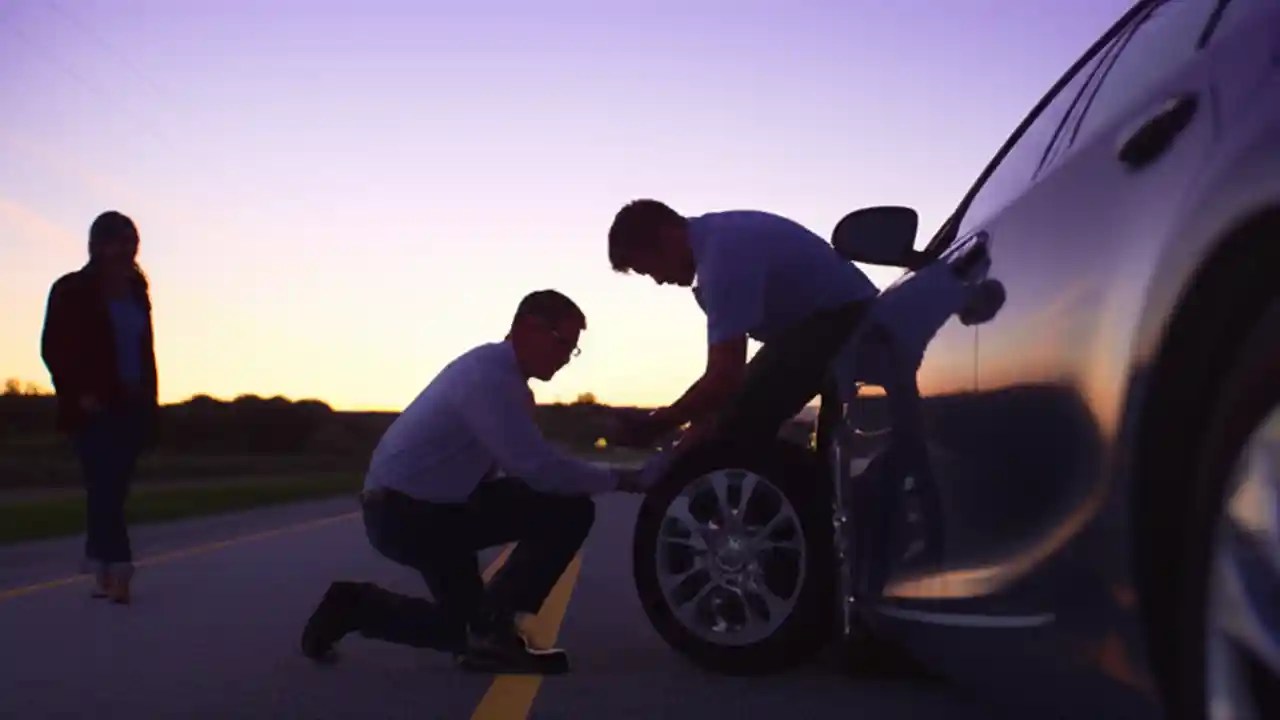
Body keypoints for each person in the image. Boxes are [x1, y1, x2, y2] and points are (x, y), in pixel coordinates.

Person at [300, 290, 650, 675]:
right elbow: (538, 468)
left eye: (573, 349)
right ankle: (468, 627)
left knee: (466, 627)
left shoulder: (503, 379)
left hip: (442, 507)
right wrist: (622, 478)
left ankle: (473, 627)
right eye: (562, 342)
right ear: (527, 329)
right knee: (567, 509)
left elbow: (520, 467)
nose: (567, 357)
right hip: (406, 516)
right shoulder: (488, 379)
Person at [605, 199, 879, 462]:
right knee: (733, 422)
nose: (660, 280)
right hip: (825, 322)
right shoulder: (719, 240)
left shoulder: (723, 259)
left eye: (651, 269)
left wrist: (659, 424)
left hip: (846, 318)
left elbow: (724, 377)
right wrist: (690, 433)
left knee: (734, 432)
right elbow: (724, 385)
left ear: (666, 237)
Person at [40, 210, 159, 605]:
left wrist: (150, 403)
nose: (128, 249)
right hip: (91, 404)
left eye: (132, 241)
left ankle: (100, 562)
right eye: (120, 241)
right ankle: (120, 568)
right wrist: (77, 392)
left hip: (132, 403)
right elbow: (54, 347)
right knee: (104, 484)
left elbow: (145, 352)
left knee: (110, 488)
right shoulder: (71, 289)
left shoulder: (137, 292)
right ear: (99, 244)